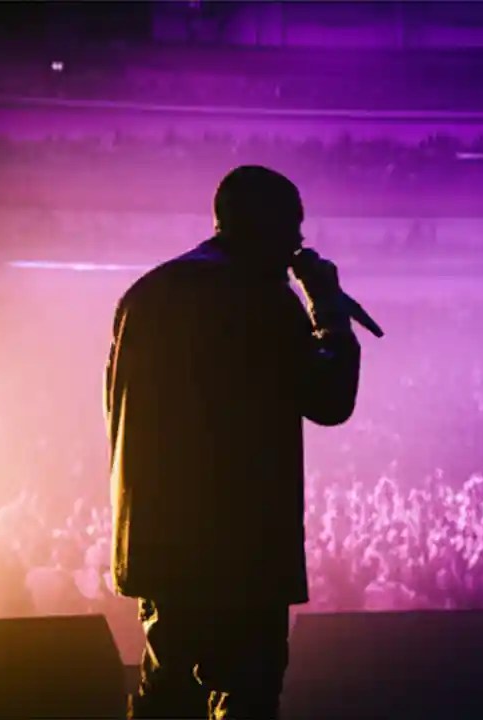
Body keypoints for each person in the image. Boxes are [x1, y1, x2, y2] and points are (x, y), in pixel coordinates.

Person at [105, 166, 362, 719]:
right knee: (245, 695)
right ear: (264, 224)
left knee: (167, 693)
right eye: (293, 226)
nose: (299, 241)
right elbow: (330, 399)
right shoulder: (261, 296)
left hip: (160, 547)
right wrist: (328, 308)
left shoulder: (144, 295)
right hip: (241, 552)